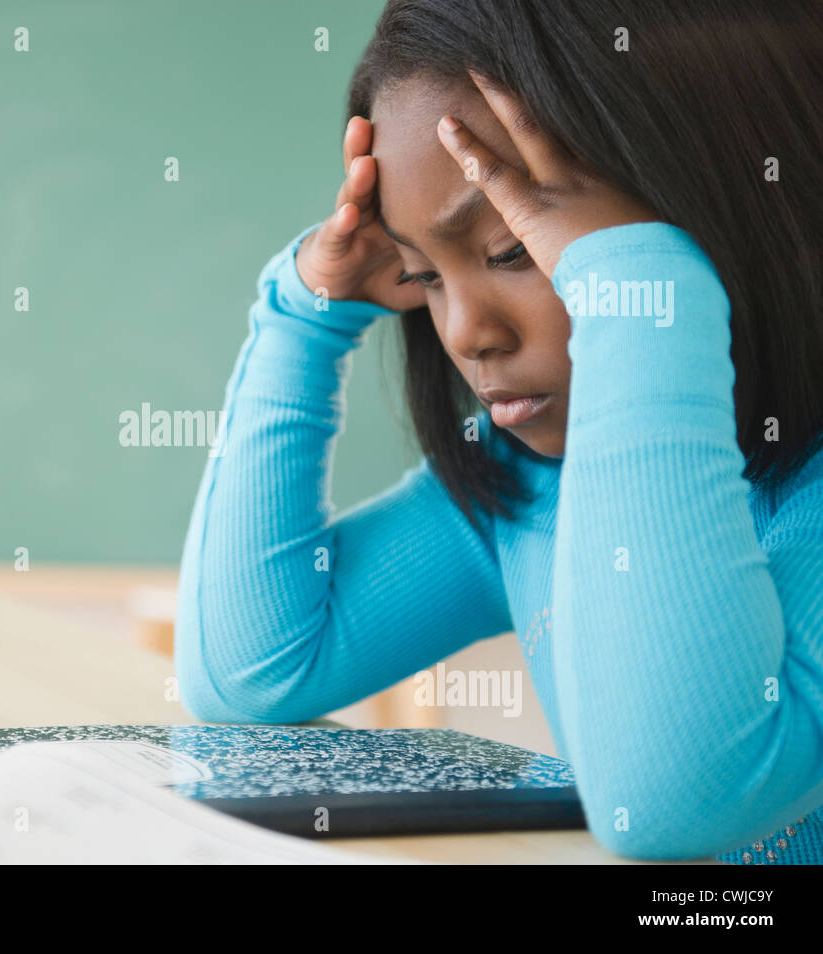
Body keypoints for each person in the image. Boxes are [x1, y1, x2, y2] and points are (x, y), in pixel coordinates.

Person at [174, 0, 823, 864]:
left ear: (721, 190)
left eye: (515, 248)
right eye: (420, 275)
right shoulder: (521, 491)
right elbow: (248, 673)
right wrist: (302, 312)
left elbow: (674, 806)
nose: (465, 334)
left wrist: (638, 287)